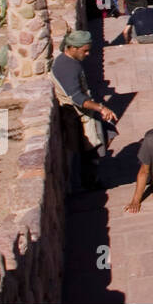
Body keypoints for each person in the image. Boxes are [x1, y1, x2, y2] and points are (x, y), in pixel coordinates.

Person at [52, 30, 117, 190]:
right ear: (72, 47)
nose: (87, 54)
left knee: (105, 136)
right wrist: (101, 108)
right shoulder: (67, 68)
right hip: (80, 116)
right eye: (85, 50)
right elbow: (77, 98)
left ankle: (90, 178)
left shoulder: (69, 62)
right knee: (91, 150)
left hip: (84, 113)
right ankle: (90, 182)